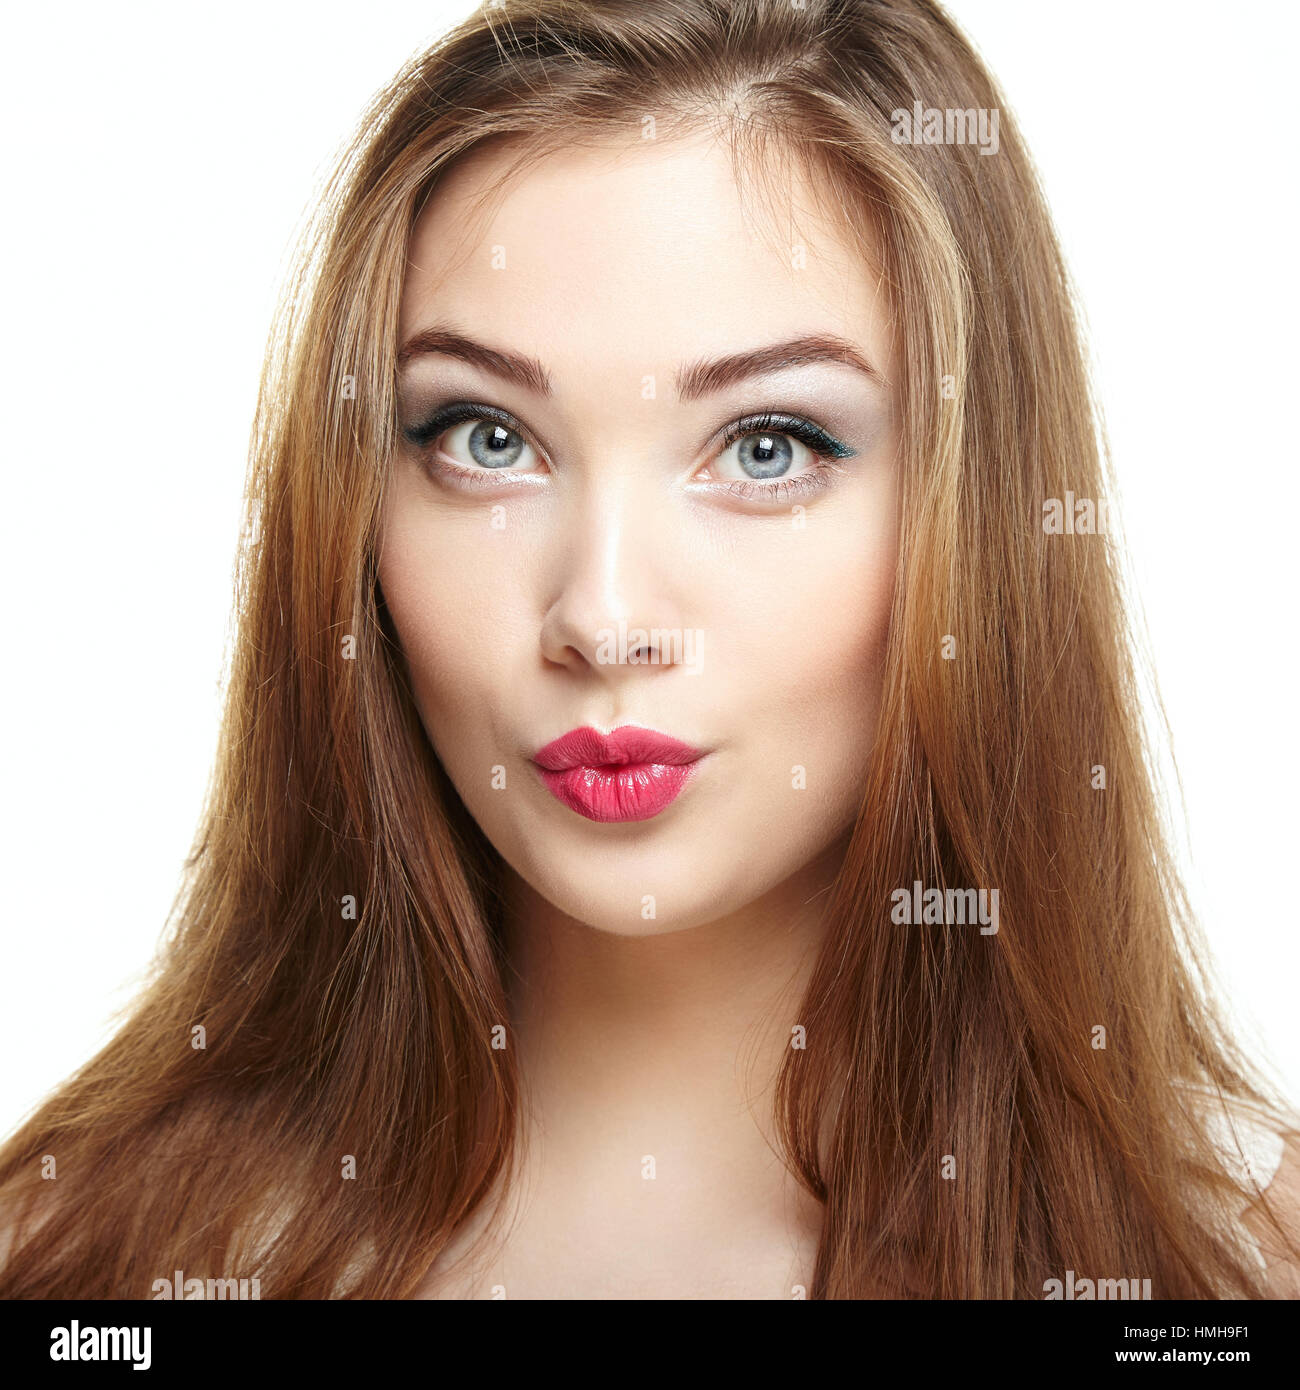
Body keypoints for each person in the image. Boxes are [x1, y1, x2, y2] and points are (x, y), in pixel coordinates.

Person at [2, 0, 1297, 1299]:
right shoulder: (83, 1263)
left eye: (768, 444)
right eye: (485, 438)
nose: (603, 617)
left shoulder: (1232, 1269)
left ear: (978, 507)